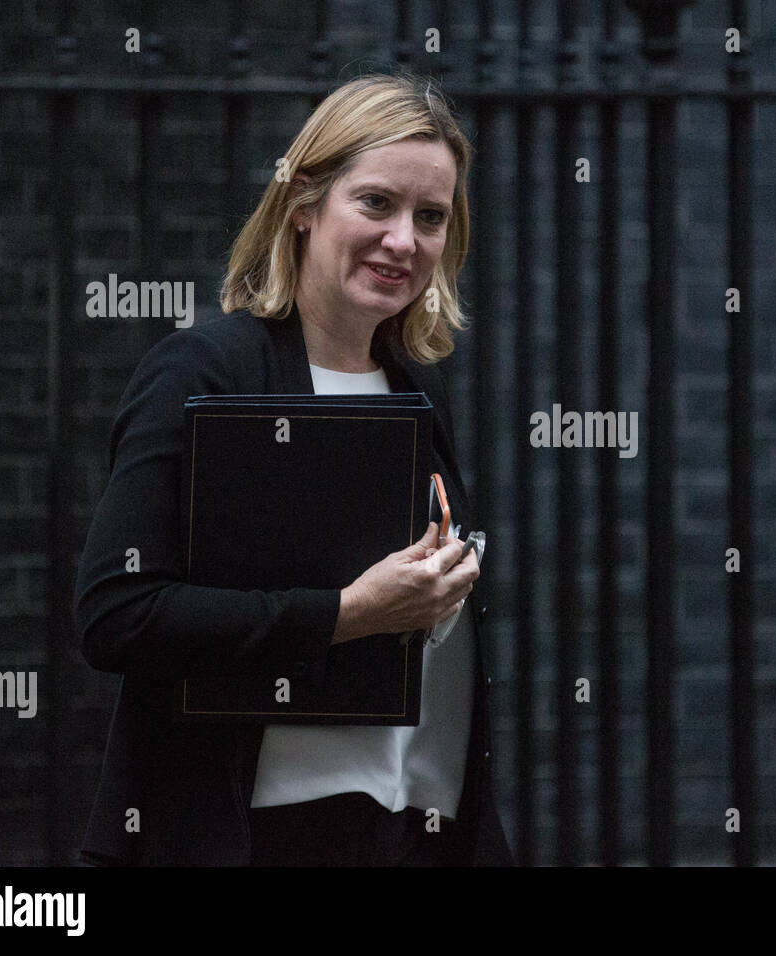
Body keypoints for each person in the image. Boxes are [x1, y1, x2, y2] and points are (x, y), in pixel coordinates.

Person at [73, 72, 514, 866]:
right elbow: (118, 613)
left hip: (411, 826)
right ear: (304, 202)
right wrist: (346, 612)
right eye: (376, 203)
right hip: (247, 834)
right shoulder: (202, 371)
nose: (404, 240)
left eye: (431, 216)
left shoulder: (417, 382)